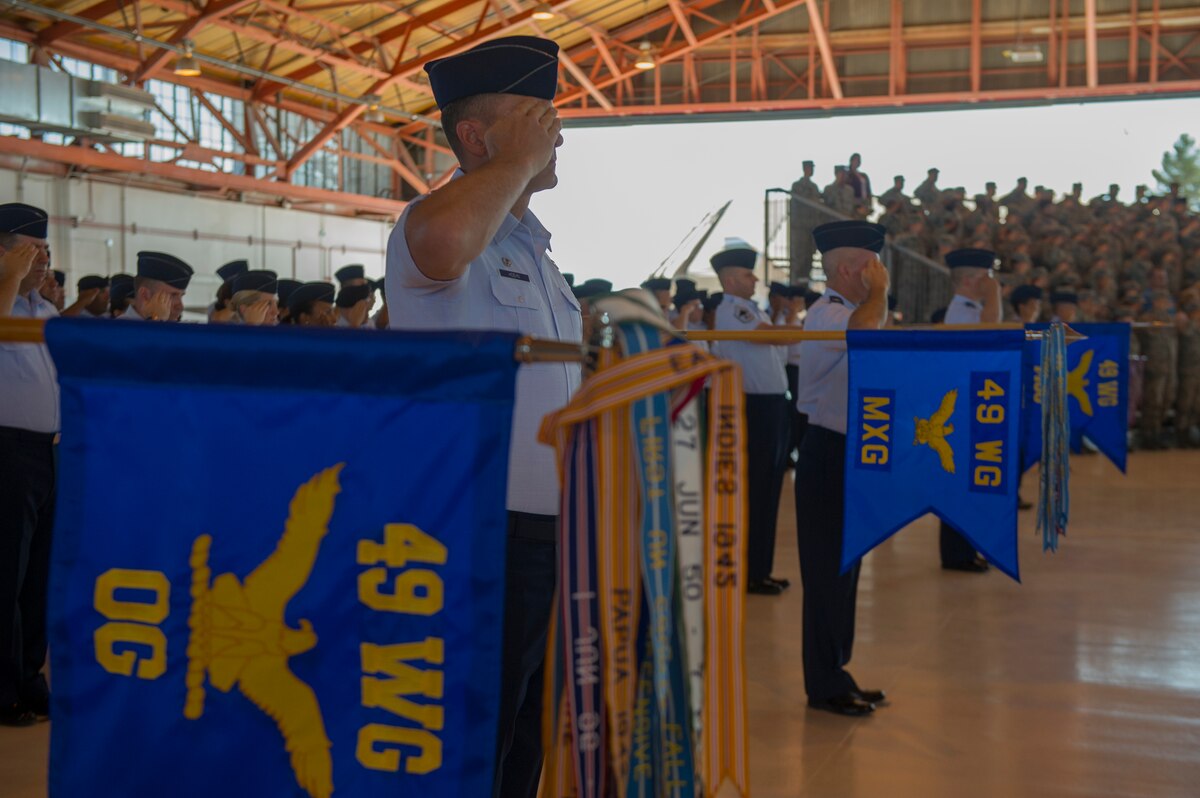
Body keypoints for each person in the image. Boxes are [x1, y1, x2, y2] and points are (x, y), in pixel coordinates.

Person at [384, 35, 579, 798]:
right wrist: (514, 163)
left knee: (526, 733)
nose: (557, 131)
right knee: (472, 732)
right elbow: (443, 243)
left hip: (548, 529)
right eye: (536, 114)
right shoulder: (430, 224)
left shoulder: (538, 252)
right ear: (475, 136)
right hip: (476, 530)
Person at [794, 220, 890, 716]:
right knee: (826, 574)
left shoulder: (856, 311)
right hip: (827, 453)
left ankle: (838, 671)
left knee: (845, 571)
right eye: (875, 265)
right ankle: (824, 684)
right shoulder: (826, 313)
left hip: (851, 455)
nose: (882, 273)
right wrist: (881, 294)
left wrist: (877, 296)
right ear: (851, 269)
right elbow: (865, 333)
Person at [0, 203, 56, 726]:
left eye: (42, 250)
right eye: (28, 250)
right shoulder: (5, 304)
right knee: (6, 575)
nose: (41, 259)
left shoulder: (46, 313)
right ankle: (2, 688)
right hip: (7, 450)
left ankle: (30, 679)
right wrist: (9, 279)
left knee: (38, 577)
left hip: (48, 451)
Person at [711, 238, 791, 596]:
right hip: (753, 407)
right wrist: (814, 334)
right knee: (757, 492)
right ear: (729, 280)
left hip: (771, 406)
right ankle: (750, 571)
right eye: (747, 274)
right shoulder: (733, 310)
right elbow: (766, 338)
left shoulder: (750, 308)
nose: (755, 279)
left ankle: (761, 568)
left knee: (769, 490)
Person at [939, 248, 1002, 573]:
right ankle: (955, 553)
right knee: (959, 483)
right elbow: (991, 330)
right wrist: (995, 295)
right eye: (985, 277)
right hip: (959, 406)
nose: (990, 283)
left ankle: (964, 548)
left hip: (968, 403)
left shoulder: (970, 308)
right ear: (968, 279)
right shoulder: (962, 311)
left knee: (967, 482)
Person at [120, 252, 193, 321]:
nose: (180, 307)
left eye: (181, 296)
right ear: (144, 295)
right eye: (173, 295)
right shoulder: (120, 329)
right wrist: (156, 320)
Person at [789, 160, 823, 280]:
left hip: (811, 226)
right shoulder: (797, 185)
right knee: (800, 255)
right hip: (801, 226)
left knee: (809, 255)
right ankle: (797, 280)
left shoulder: (814, 187)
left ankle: (805, 279)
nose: (811, 170)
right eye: (809, 168)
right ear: (805, 169)